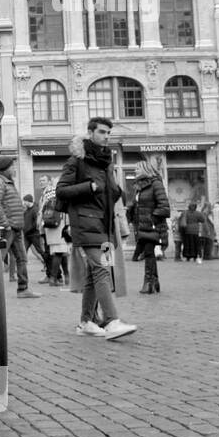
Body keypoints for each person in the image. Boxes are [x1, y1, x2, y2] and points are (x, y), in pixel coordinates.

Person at [56, 117, 137, 339]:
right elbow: (61, 191)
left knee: (94, 274)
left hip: (104, 223)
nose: (106, 137)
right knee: (101, 269)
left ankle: (87, 322)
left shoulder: (105, 161)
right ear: (90, 133)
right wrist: (88, 187)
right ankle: (111, 322)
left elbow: (109, 191)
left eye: (108, 133)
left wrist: (116, 190)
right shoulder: (77, 161)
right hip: (85, 223)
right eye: (102, 132)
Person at [0, 156, 38, 298]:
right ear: (6, 168)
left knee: (22, 258)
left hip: (16, 228)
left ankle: (23, 289)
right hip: (8, 229)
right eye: (12, 167)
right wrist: (5, 224)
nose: (14, 169)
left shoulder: (7, 182)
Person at [126, 160, 170, 295]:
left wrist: (152, 219)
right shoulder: (140, 187)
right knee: (149, 253)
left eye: (137, 169)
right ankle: (154, 281)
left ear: (145, 169)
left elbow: (164, 207)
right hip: (142, 226)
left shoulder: (156, 184)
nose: (135, 171)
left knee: (149, 253)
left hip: (152, 226)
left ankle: (148, 282)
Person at [22, 190, 50, 283]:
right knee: (23, 251)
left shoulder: (35, 210)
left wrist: (28, 229)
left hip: (34, 234)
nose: (23, 203)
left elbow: (35, 224)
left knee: (40, 251)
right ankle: (22, 271)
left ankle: (47, 265)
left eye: (24, 201)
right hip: (27, 235)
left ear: (28, 201)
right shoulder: (26, 210)